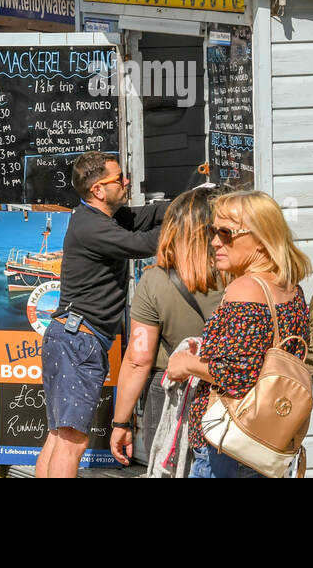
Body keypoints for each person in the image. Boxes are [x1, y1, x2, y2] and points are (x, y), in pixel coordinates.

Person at [35, 152, 169, 478]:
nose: (126, 182)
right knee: (73, 443)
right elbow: (144, 243)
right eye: (119, 178)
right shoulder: (93, 227)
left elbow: (149, 214)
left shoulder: (100, 217)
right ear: (98, 189)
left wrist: (190, 203)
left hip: (68, 337)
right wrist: (186, 224)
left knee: (59, 436)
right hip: (77, 341)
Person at [167, 190, 311, 478]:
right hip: (267, 440)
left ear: (260, 238)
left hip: (229, 446)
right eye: (212, 231)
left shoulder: (245, 289)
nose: (215, 242)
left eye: (226, 233)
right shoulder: (290, 288)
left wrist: (185, 363)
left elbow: (236, 374)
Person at [110, 185, 226, 469]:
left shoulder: (155, 281)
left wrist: (121, 422)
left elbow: (138, 360)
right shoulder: (242, 277)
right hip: (228, 390)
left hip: (169, 395)